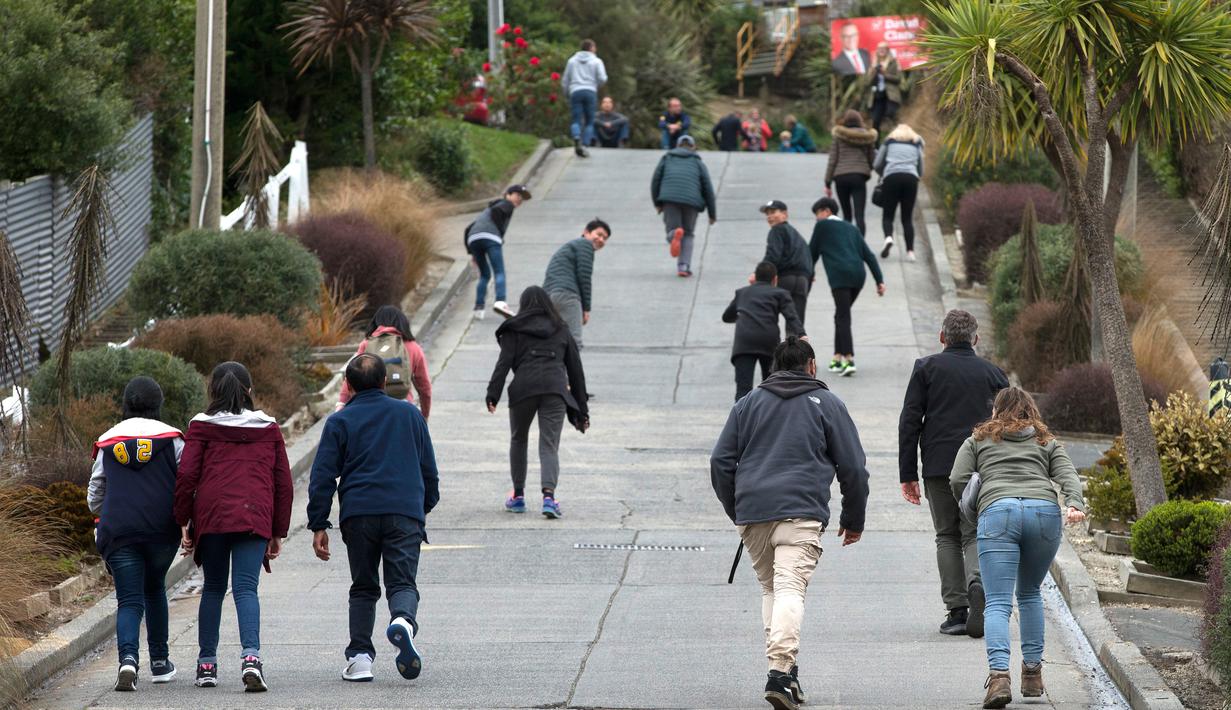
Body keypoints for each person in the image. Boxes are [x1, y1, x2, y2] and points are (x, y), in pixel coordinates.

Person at [710, 336, 870, 710]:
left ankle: (787, 672)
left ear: (773, 367)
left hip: (753, 513)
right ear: (812, 366)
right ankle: (780, 673)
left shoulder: (747, 404)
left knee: (773, 589)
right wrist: (853, 518)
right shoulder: (827, 403)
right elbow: (853, 468)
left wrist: (737, 508)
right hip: (801, 510)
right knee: (789, 589)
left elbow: (720, 462)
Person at [950, 388, 1086, 709]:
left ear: (997, 411)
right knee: (1029, 594)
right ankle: (1033, 675)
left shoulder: (978, 440)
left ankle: (999, 678)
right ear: (1030, 411)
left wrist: (973, 502)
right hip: (1043, 514)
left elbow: (957, 478)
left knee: (998, 602)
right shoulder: (1046, 441)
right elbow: (1068, 474)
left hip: (997, 512)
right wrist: (1074, 503)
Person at [307, 353, 440, 684]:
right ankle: (403, 622)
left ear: (348, 386)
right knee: (402, 583)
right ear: (385, 382)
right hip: (404, 512)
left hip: (360, 513)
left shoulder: (340, 422)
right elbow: (429, 471)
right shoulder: (410, 415)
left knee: (364, 587)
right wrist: (421, 508)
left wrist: (318, 523)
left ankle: (360, 658)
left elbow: (323, 476)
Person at [174, 362, 293, 692]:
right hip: (254, 515)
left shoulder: (201, 426)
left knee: (212, 588)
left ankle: (207, 665)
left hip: (212, 516)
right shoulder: (268, 428)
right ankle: (251, 659)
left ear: (212, 391)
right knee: (245, 589)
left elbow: (186, 476)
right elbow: (282, 482)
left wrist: (183, 520)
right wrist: (277, 530)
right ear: (250, 392)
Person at [898, 310, 1009, 639]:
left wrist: (908, 473)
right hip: (982, 466)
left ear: (942, 337)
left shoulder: (926, 369)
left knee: (946, 535)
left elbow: (910, 421)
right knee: (974, 533)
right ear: (975, 339)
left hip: (938, 464)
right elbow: (1009, 424)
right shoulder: (993, 373)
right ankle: (978, 583)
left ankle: (957, 610)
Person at [89, 377, 185, 691]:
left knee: (129, 600)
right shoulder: (173, 439)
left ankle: (128, 660)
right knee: (155, 588)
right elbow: (186, 486)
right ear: (158, 405)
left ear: (126, 404)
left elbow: (94, 494)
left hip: (119, 531)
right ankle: (160, 662)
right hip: (161, 531)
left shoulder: (107, 442)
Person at [486, 286, 589, 519]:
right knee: (549, 444)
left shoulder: (515, 329)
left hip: (523, 389)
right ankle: (549, 498)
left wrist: (493, 394)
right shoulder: (561, 329)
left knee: (518, 439)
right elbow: (576, 372)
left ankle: (518, 496)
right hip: (555, 390)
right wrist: (583, 410)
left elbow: (503, 364)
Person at [808, 197, 885, 378]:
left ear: (826, 211)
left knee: (843, 316)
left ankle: (849, 360)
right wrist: (879, 280)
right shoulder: (852, 228)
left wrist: (809, 274)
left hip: (840, 276)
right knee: (841, 313)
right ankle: (836, 357)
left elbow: (811, 253)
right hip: (859, 276)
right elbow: (869, 256)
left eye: (817, 214)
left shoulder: (822, 226)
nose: (816, 219)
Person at [722, 262, 806, 400]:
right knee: (772, 385)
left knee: (743, 389)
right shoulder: (780, 293)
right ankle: (770, 419)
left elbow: (727, 316)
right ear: (775, 279)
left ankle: (742, 420)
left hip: (744, 342)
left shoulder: (742, 292)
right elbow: (791, 316)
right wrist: (802, 334)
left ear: (755, 277)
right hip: (768, 341)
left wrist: (743, 317)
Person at [337, 305, 431, 418]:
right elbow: (425, 387)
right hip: (402, 408)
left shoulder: (367, 344)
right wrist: (424, 417)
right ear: (402, 322)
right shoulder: (413, 347)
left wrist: (341, 404)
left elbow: (351, 375)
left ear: (376, 322)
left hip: (368, 409)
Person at [651, 134, 717, 277]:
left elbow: (656, 180)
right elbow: (708, 187)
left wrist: (657, 203)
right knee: (688, 234)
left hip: (670, 199)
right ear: (693, 147)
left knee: (673, 230)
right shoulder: (698, 162)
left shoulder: (667, 158)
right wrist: (712, 214)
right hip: (692, 202)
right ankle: (683, 266)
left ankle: (674, 234)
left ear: (677, 146)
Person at [464, 185, 531, 319]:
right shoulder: (507, 204)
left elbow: (468, 229)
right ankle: (500, 301)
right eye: (518, 195)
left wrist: (471, 252)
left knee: (485, 275)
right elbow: (497, 212)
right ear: (508, 194)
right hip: (490, 238)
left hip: (474, 238)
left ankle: (479, 308)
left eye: (522, 198)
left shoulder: (487, 210)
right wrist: (499, 234)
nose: (519, 200)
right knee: (499, 271)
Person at [542, 218, 611, 348]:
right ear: (586, 232)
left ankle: (555, 368)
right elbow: (584, 277)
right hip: (567, 295)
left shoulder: (573, 246)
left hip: (550, 297)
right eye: (599, 234)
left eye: (605, 238)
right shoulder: (584, 244)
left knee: (554, 342)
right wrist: (586, 308)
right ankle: (570, 369)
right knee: (573, 343)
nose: (601, 239)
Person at [756, 200, 814, 326]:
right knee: (796, 323)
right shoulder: (798, 236)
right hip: (802, 282)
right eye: (767, 214)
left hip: (784, 279)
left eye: (773, 212)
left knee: (769, 316)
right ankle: (794, 345)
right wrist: (807, 283)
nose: (769, 216)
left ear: (785, 214)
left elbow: (773, 256)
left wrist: (758, 275)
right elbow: (809, 262)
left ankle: (771, 344)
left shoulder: (776, 230)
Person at [874, 123, 924, 261]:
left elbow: (877, 164)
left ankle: (889, 238)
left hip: (892, 178)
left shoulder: (889, 142)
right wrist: (917, 176)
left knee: (888, 215)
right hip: (911, 179)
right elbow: (921, 166)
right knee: (907, 217)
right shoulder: (916, 144)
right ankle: (910, 252)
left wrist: (884, 174)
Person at [824, 110, 877, 235]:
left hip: (840, 177)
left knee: (847, 215)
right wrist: (868, 169)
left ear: (845, 121)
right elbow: (872, 159)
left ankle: (848, 247)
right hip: (859, 177)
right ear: (860, 121)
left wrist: (827, 182)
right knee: (860, 215)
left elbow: (833, 160)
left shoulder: (838, 136)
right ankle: (860, 246)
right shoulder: (867, 137)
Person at [562, 39, 607, 157]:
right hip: (590, 91)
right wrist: (596, 84)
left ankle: (576, 136)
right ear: (591, 48)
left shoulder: (571, 61)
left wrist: (566, 93)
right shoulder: (597, 61)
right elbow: (603, 78)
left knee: (576, 119)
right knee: (589, 121)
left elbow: (565, 79)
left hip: (575, 91)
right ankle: (585, 145)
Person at [865, 42, 902, 138]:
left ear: (887, 50)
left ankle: (894, 141)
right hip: (877, 96)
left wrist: (885, 74)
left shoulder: (893, 62)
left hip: (890, 96)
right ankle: (876, 146)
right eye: (879, 48)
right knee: (875, 121)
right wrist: (873, 71)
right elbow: (867, 82)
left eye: (884, 48)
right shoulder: (873, 63)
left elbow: (898, 79)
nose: (881, 50)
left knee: (891, 119)